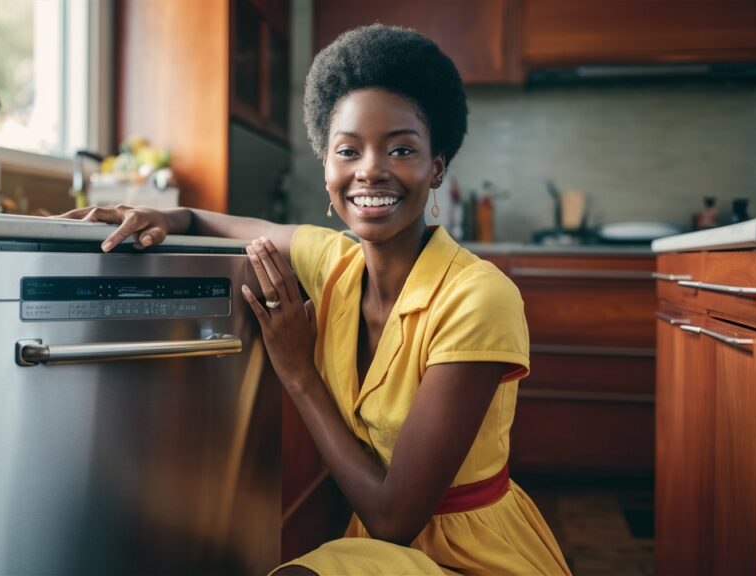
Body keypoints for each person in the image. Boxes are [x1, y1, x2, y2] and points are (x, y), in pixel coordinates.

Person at [59, 23, 570, 576]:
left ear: (437, 167)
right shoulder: (335, 261)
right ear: (327, 169)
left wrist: (298, 371)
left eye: (401, 149)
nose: (370, 169)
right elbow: (219, 222)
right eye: (348, 150)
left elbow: (394, 517)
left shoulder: (479, 296)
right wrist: (162, 214)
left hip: (470, 555)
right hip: (382, 550)